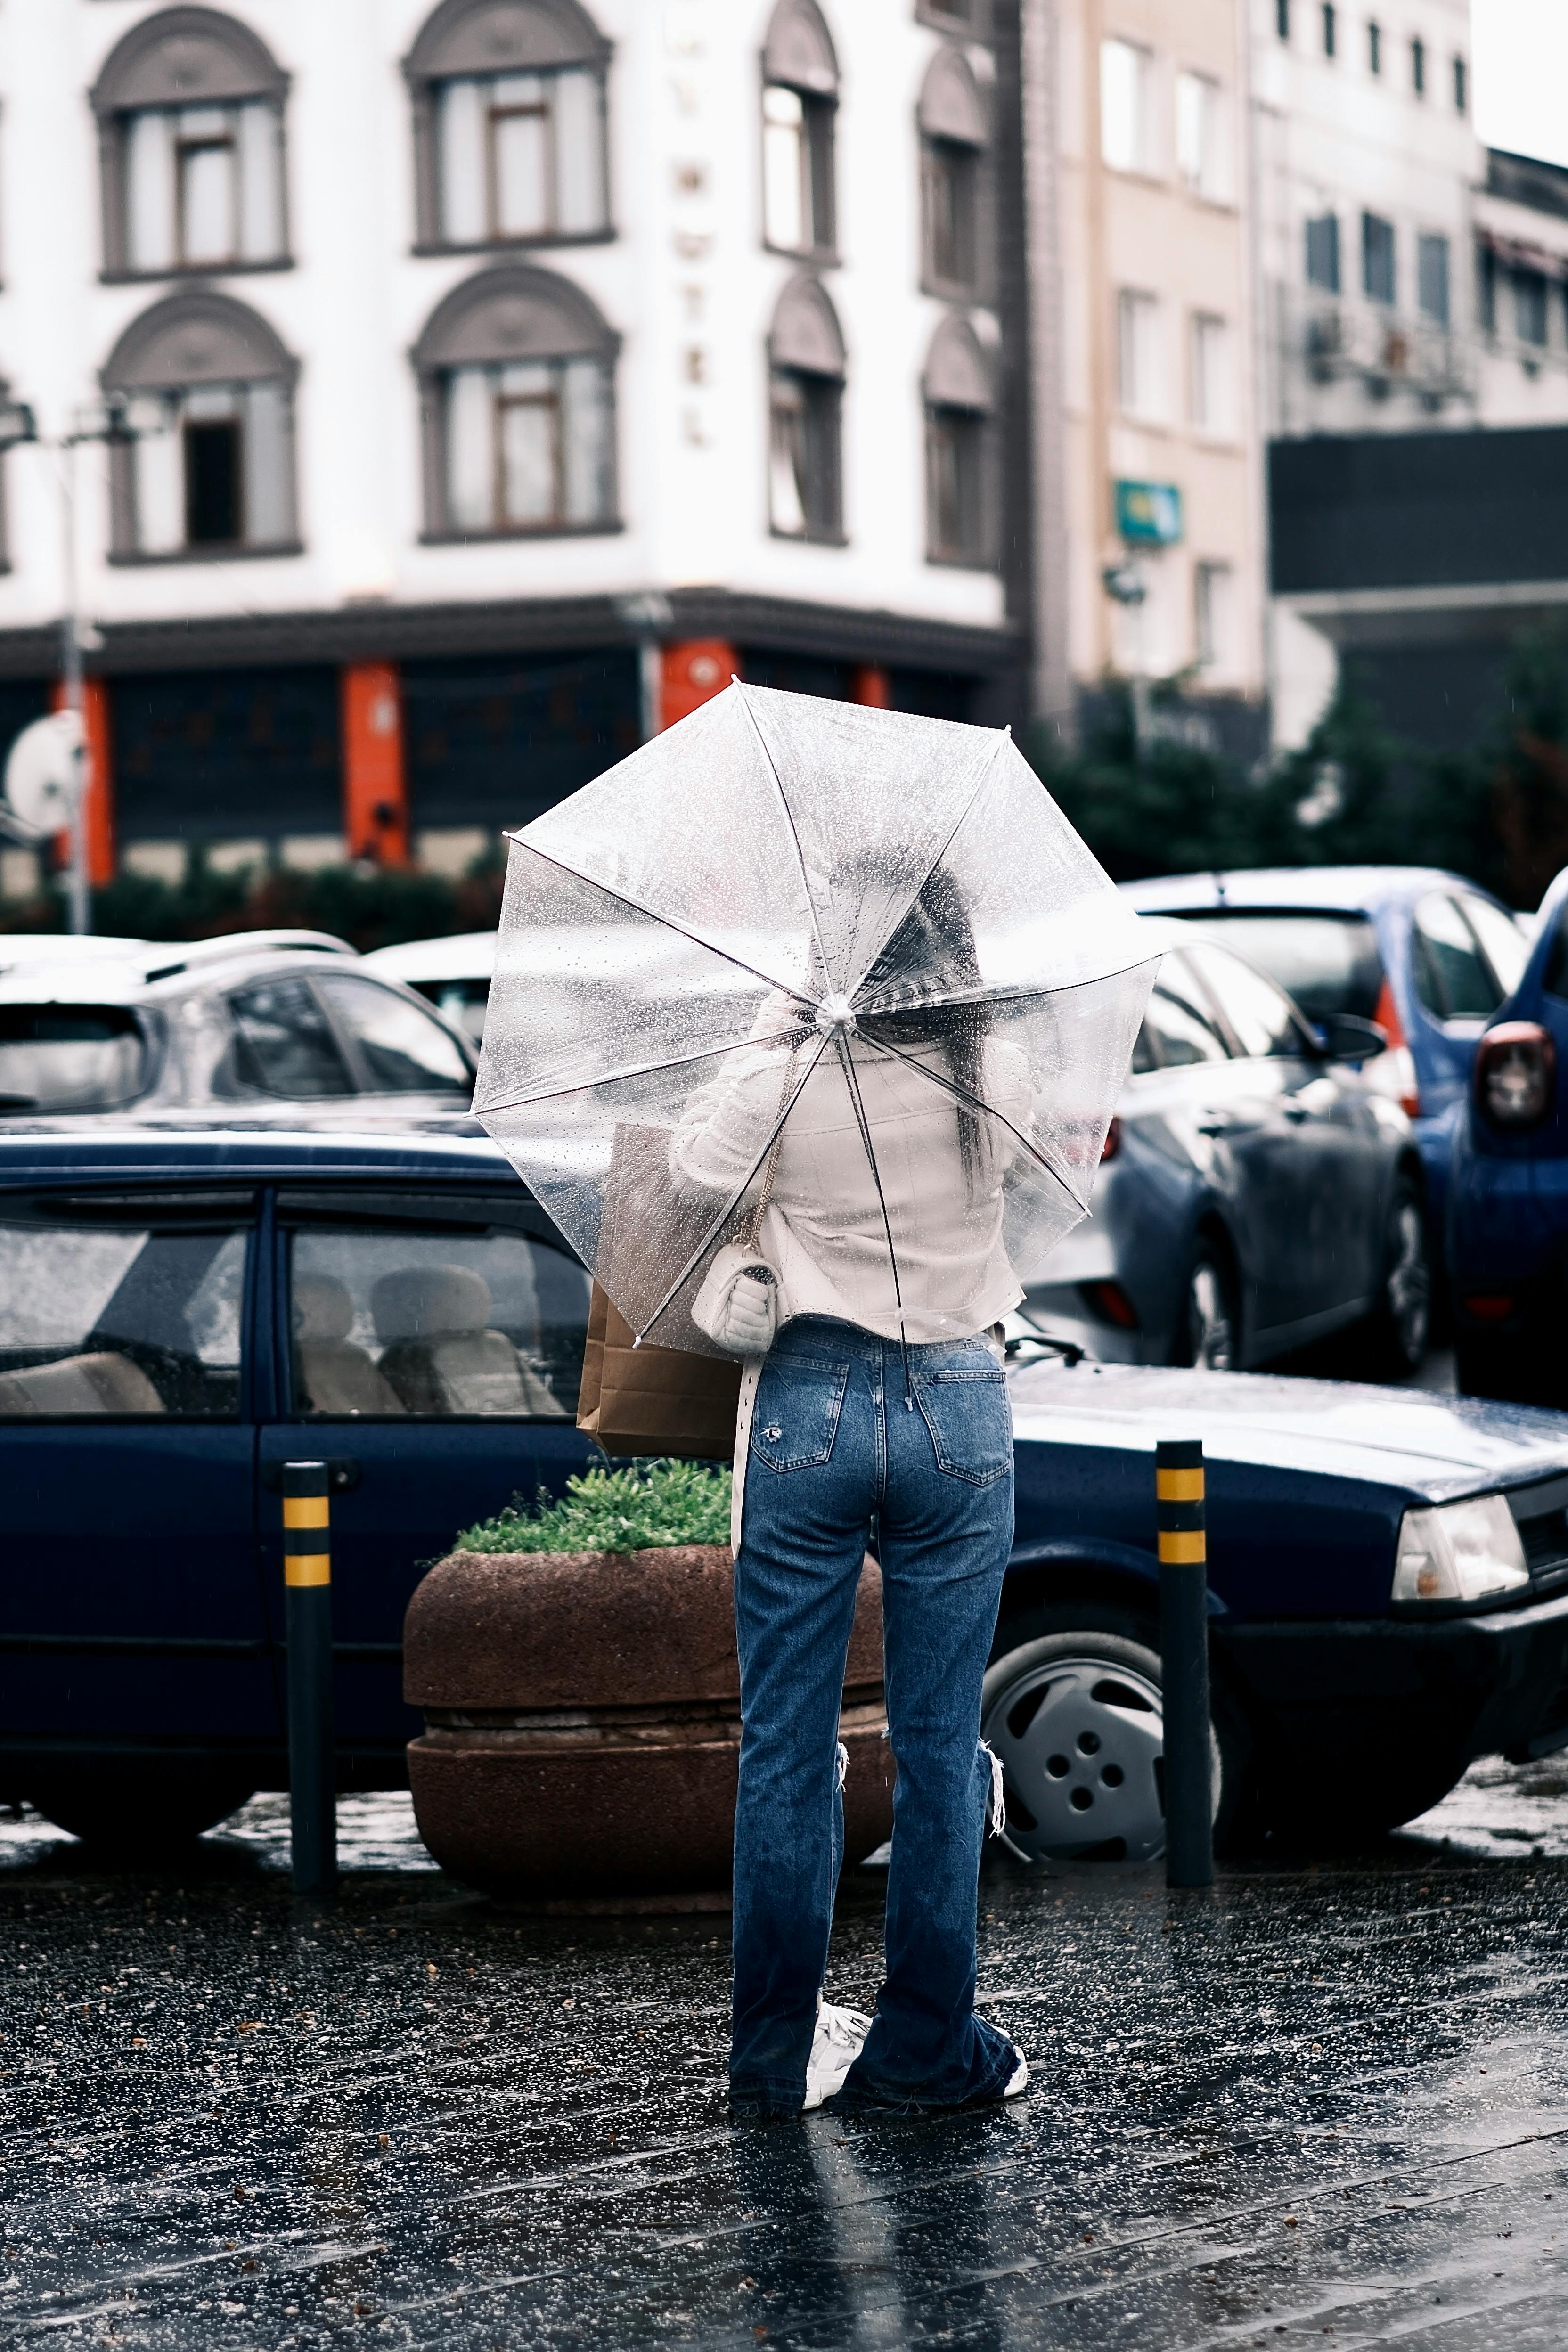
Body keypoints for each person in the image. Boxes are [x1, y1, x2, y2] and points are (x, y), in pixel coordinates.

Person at [672, 869, 1033, 2116]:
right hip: (959, 1392)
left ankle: (773, 2054)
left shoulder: (788, 1075)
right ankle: (931, 2048)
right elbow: (1040, 1186)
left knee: (785, 1746)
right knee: (939, 1747)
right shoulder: (994, 1076)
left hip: (810, 1399)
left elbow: (692, 1167)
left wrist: (777, 1026)